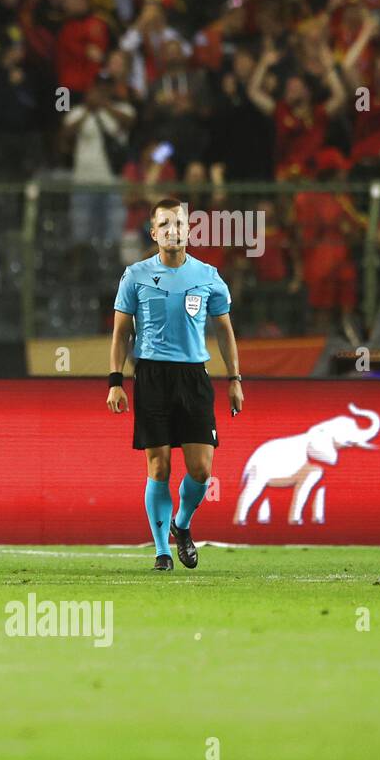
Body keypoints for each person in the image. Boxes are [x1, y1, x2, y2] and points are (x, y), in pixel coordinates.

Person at [107, 198, 243, 573]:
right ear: (154, 233)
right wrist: (115, 381)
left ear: (189, 230)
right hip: (151, 376)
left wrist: (234, 378)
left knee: (201, 470)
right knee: (159, 467)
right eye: (164, 224)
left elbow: (224, 330)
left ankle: (182, 524)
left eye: (178, 223)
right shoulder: (134, 275)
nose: (172, 230)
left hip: (193, 376)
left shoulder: (208, 275)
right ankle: (161, 551)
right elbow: (120, 333)